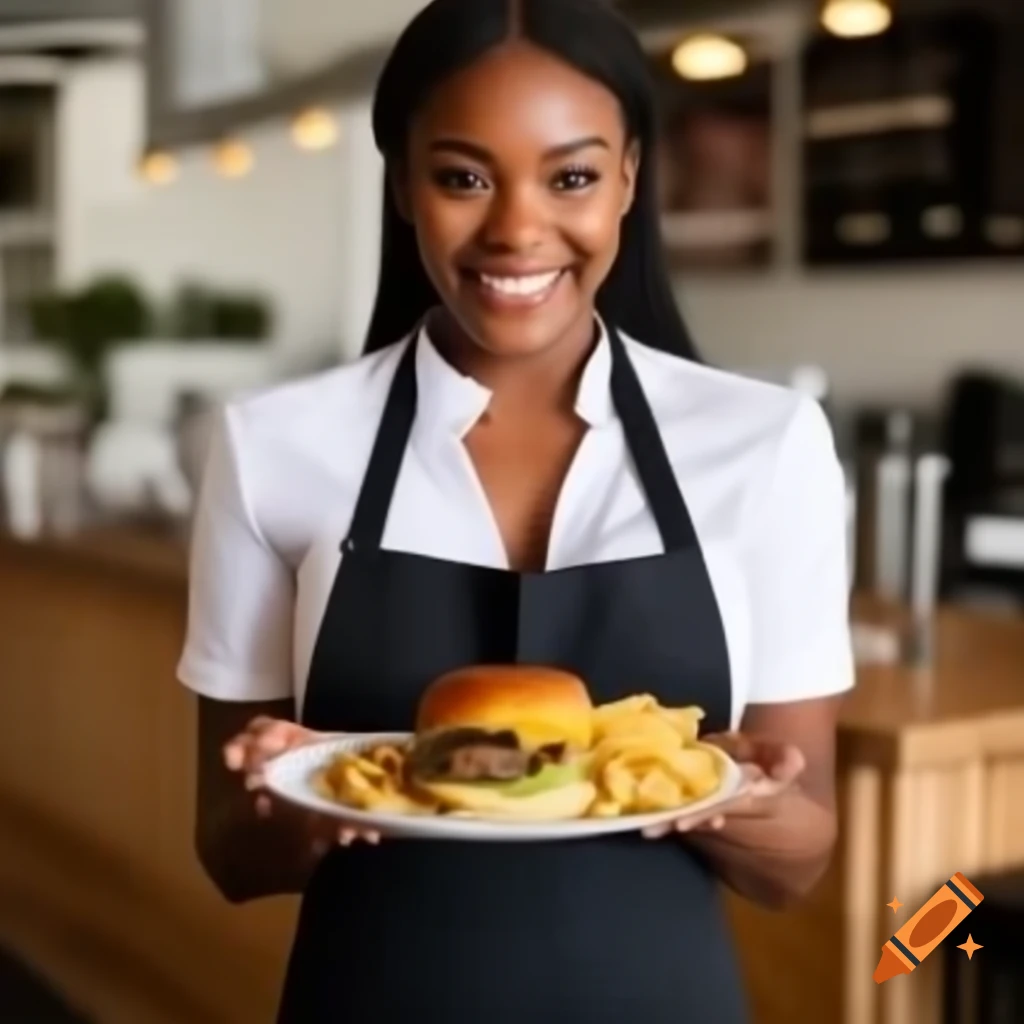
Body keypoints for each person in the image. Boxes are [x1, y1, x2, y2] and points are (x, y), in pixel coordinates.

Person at [177, 0, 854, 1020]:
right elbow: (230, 851)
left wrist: (739, 800)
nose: (517, 229)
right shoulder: (274, 445)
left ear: (629, 177)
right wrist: (300, 805)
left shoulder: (765, 445)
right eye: (462, 177)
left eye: (572, 176)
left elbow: (796, 862)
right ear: (403, 184)